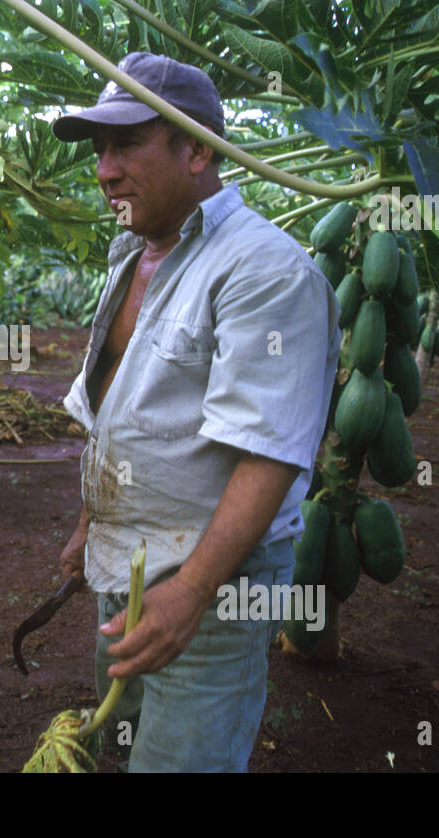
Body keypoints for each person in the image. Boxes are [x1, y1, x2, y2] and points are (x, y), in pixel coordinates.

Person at [52, 52, 341, 772]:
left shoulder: (267, 270)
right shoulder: (134, 254)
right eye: (99, 150)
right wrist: (93, 521)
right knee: (125, 739)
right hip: (129, 562)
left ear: (198, 148)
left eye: (126, 145)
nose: (105, 169)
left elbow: (269, 453)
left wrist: (191, 591)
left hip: (213, 586)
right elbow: (124, 401)